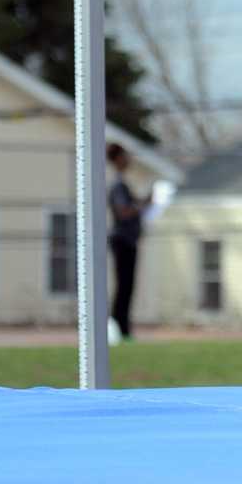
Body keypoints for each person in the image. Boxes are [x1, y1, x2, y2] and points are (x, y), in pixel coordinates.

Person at [106, 142, 145, 343]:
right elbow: (123, 212)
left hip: (128, 241)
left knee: (127, 286)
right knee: (123, 286)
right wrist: (142, 205)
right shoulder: (118, 185)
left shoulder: (123, 184)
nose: (129, 160)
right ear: (118, 159)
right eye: (126, 156)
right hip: (123, 241)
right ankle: (118, 329)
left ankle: (123, 329)